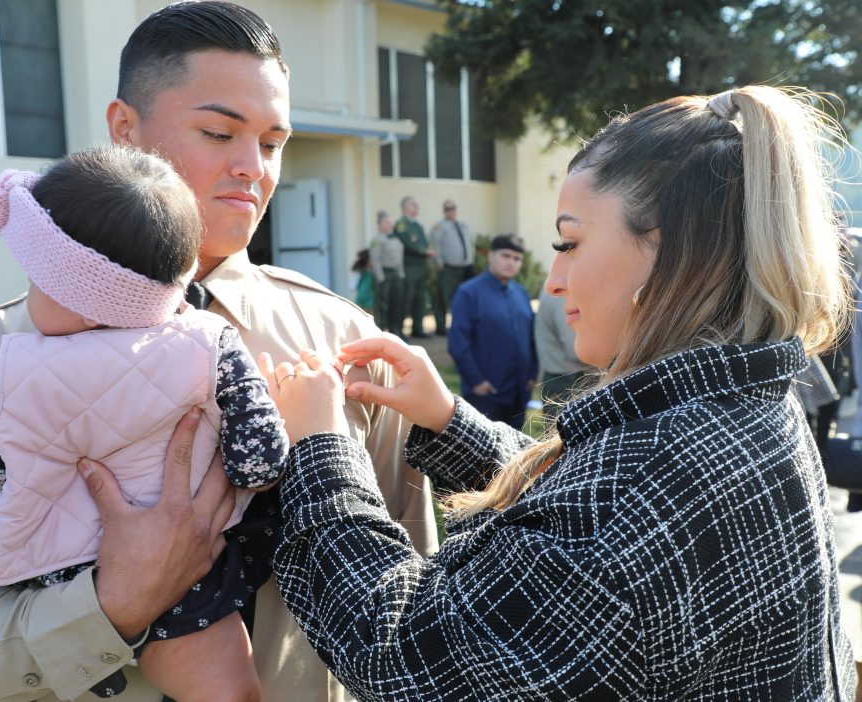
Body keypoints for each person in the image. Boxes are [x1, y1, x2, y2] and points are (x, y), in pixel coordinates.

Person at [0, 4, 438, 702]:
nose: (252, 169)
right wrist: (109, 608)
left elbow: (414, 602)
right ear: (124, 130)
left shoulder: (344, 340)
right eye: (218, 131)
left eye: (274, 140)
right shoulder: (1, 355)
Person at [258, 85, 857, 699]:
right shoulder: (743, 406)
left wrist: (321, 448)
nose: (555, 285)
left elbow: (407, 653)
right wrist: (446, 420)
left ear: (671, 249)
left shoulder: (646, 482)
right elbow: (577, 521)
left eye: (569, 244)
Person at [0, 146, 288, 702]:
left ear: (79, 301)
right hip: (205, 577)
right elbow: (261, 463)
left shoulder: (24, 371)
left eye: (37, 284)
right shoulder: (213, 341)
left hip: (67, 572)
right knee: (231, 689)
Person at [448, 233, 538, 430]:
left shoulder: (521, 293)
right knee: (483, 455)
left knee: (515, 453)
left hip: (519, 392)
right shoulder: (469, 293)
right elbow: (458, 342)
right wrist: (476, 381)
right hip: (485, 394)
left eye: (517, 259)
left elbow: (531, 337)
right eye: (506, 256)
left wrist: (532, 373)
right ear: (491, 256)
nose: (511, 263)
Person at [534, 285, 592, 426]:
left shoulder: (551, 291)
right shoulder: (561, 296)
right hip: (566, 383)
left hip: (561, 380)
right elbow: (575, 349)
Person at [429, 199, 475, 336]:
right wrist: (439, 264)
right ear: (444, 211)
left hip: (465, 268)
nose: (451, 211)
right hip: (448, 269)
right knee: (443, 298)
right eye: (448, 209)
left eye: (453, 208)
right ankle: (441, 327)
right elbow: (436, 246)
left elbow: (470, 244)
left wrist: (470, 261)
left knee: (462, 299)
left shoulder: (463, 225)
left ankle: (459, 325)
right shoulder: (439, 226)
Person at [394, 195, 431, 338]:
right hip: (409, 267)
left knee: (419, 298)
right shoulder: (401, 224)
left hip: (421, 266)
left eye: (416, 205)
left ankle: (418, 328)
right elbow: (408, 244)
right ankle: (400, 330)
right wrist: (424, 251)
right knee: (406, 298)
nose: (416, 207)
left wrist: (426, 249)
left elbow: (425, 242)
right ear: (404, 208)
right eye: (412, 205)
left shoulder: (417, 226)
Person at [369, 210, 405, 336]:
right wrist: (380, 278)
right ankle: (381, 332)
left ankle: (396, 331)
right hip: (385, 274)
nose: (390, 224)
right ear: (379, 225)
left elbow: (399, 257)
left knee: (397, 304)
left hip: (396, 274)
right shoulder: (377, 240)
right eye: (387, 222)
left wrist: (401, 273)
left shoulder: (395, 237)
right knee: (383, 305)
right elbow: (375, 259)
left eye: (391, 222)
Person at [351, 248, 375, 314]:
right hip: (365, 297)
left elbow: (352, 286)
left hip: (366, 297)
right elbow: (353, 286)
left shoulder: (367, 271)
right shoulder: (362, 272)